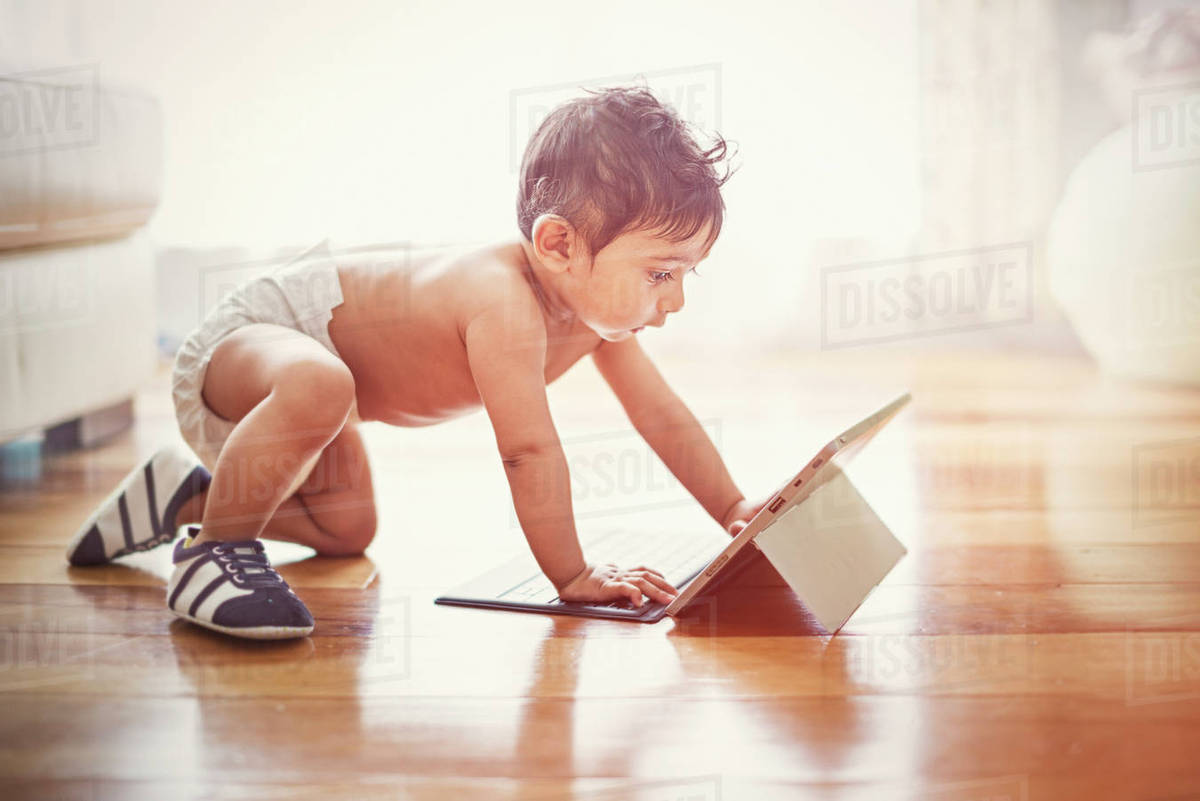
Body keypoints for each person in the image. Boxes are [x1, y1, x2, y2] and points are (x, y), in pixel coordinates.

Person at [66, 86, 767, 639]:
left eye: (685, 276)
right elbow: (527, 450)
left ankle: (180, 499)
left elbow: (660, 414)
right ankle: (214, 552)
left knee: (347, 529)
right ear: (558, 244)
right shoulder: (502, 301)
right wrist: (574, 573)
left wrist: (735, 508)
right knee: (321, 380)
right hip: (251, 340)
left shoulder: (589, 320)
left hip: (318, 392)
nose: (674, 300)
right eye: (659, 273)